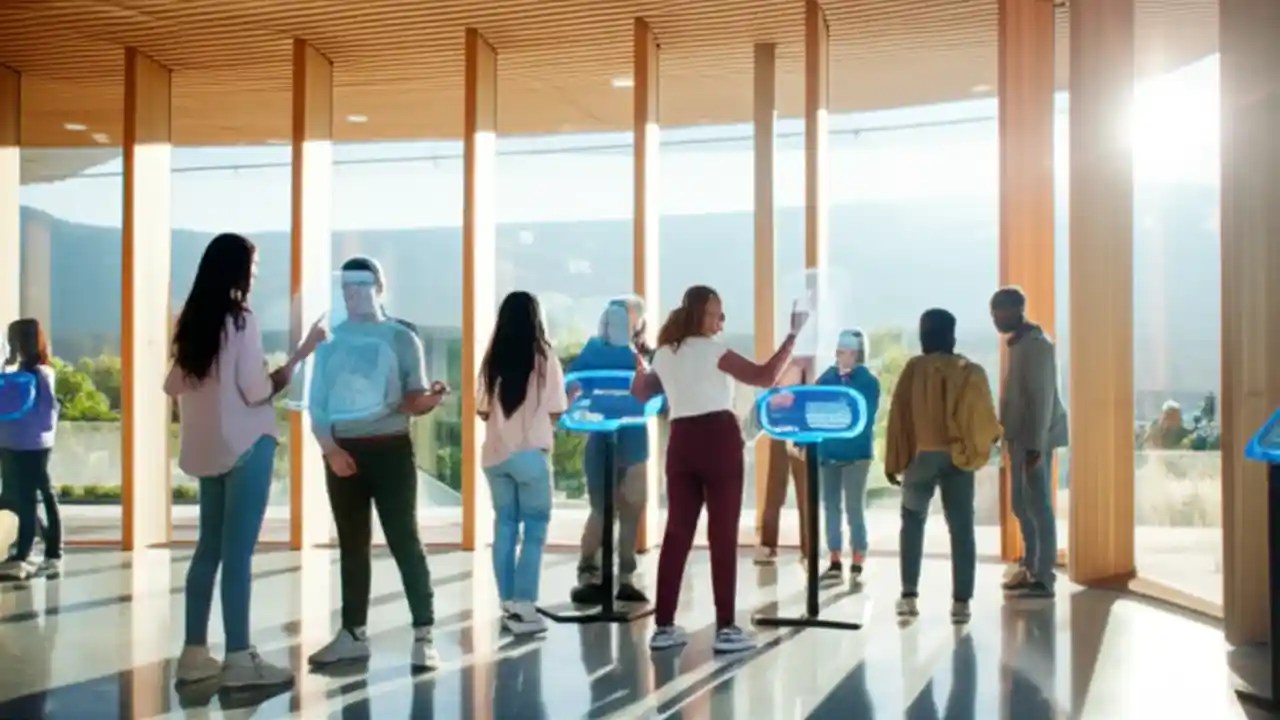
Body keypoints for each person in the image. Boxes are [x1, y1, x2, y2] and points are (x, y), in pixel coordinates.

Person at [166, 233, 326, 687]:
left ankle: (193, 654)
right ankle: (240, 658)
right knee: (238, 556)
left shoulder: (191, 322)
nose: (255, 275)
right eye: (252, 267)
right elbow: (257, 390)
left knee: (208, 552)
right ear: (236, 270)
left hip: (207, 452)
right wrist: (302, 352)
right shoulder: (240, 321)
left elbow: (173, 385)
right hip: (246, 447)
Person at [632, 285, 807, 654]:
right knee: (722, 534)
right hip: (718, 440)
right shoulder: (714, 351)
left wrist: (637, 356)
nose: (721, 320)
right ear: (700, 314)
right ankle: (726, 628)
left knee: (677, 533)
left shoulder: (664, 353)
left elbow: (642, 392)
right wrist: (792, 335)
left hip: (680, 443)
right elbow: (764, 376)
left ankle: (663, 627)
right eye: (717, 313)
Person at [308, 256, 449, 670]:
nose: (352, 294)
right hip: (341, 451)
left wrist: (430, 400)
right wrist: (329, 449)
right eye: (346, 287)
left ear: (379, 288)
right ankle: (353, 632)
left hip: (389, 449)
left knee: (404, 538)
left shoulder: (402, 338)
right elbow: (317, 402)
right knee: (352, 543)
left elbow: (413, 398)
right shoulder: (330, 340)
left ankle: (424, 632)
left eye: (360, 286)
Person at [885, 308, 999, 625]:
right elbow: (984, 418)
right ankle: (961, 603)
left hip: (920, 458)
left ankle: (909, 596)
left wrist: (894, 460)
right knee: (962, 528)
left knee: (912, 521)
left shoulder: (914, 368)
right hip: (958, 458)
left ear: (924, 336)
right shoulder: (969, 371)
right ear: (952, 335)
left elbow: (899, 418)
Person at [477, 291, 568, 636]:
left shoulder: (493, 358)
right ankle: (525, 606)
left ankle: (507, 603)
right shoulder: (545, 357)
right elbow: (557, 410)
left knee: (504, 526)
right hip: (531, 455)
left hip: (495, 456)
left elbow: (482, 409)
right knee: (534, 528)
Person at [568, 299, 650, 606]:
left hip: (633, 441)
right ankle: (592, 572)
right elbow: (572, 387)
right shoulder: (596, 353)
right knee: (604, 509)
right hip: (603, 439)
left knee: (630, 507)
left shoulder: (638, 357)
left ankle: (623, 576)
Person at [990, 287, 1068, 598]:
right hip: (1020, 437)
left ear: (1016, 311)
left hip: (1034, 439)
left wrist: (1035, 446)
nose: (996, 320)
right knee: (1022, 504)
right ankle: (1031, 565)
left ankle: (1043, 575)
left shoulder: (1036, 346)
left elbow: (1041, 399)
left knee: (1038, 506)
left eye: (999, 314)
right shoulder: (1019, 344)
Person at [814, 329, 881, 582]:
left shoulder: (868, 381)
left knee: (854, 507)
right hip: (828, 452)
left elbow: (863, 416)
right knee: (830, 506)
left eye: (851, 352)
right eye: (842, 351)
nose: (845, 356)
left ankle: (858, 556)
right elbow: (817, 410)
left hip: (857, 454)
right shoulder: (826, 379)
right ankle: (833, 558)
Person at [0, 319, 61, 581]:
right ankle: (39, 550)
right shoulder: (34, 373)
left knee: (32, 498)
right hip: (25, 444)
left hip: (28, 446)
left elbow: (44, 413)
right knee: (33, 496)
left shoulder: (39, 374)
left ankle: (29, 553)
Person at [754, 355, 815, 566]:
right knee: (775, 491)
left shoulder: (812, 364)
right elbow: (775, 394)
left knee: (805, 495)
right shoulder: (791, 360)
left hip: (803, 436)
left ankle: (809, 550)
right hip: (781, 432)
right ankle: (768, 545)